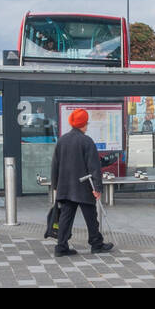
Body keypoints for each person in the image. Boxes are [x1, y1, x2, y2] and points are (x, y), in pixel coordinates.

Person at [49, 108, 114, 256]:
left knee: (66, 217)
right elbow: (94, 166)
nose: (87, 126)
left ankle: (61, 246)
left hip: (65, 187)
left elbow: (55, 165)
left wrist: (55, 185)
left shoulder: (62, 140)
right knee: (91, 216)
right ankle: (96, 244)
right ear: (83, 124)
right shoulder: (87, 141)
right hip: (84, 186)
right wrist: (97, 187)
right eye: (87, 123)